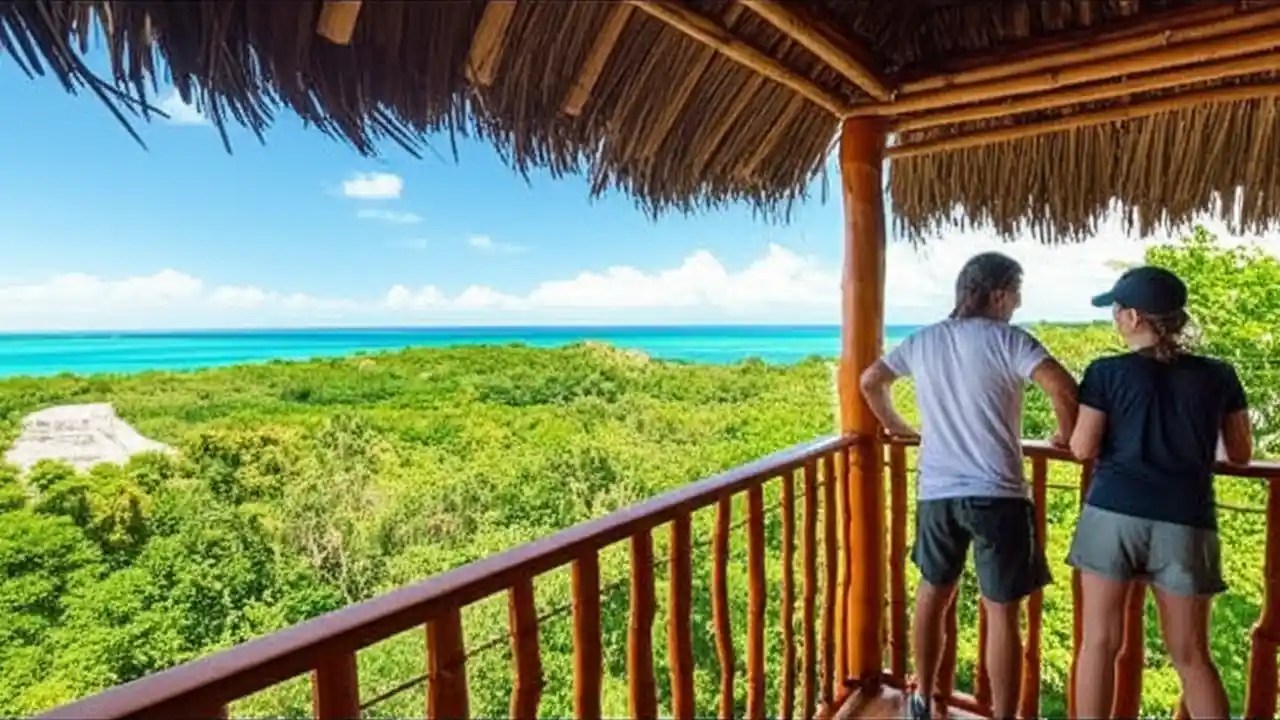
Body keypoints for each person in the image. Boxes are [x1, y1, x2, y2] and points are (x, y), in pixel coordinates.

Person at [860, 252, 1078, 720]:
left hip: (937, 490)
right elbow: (1063, 387)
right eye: (1016, 294)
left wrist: (900, 428)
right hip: (998, 493)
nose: (1018, 304)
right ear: (999, 293)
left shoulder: (924, 341)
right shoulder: (1008, 340)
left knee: (933, 592)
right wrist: (1065, 437)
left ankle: (922, 699)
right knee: (1002, 611)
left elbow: (871, 381)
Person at [1068, 266, 1252, 719]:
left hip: (1112, 512)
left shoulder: (1105, 373)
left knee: (1098, 643)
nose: (1113, 317)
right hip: (1186, 516)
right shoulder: (1219, 375)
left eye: (1115, 309)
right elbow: (1241, 453)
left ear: (1133, 317)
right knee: (1191, 657)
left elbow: (1083, 447)